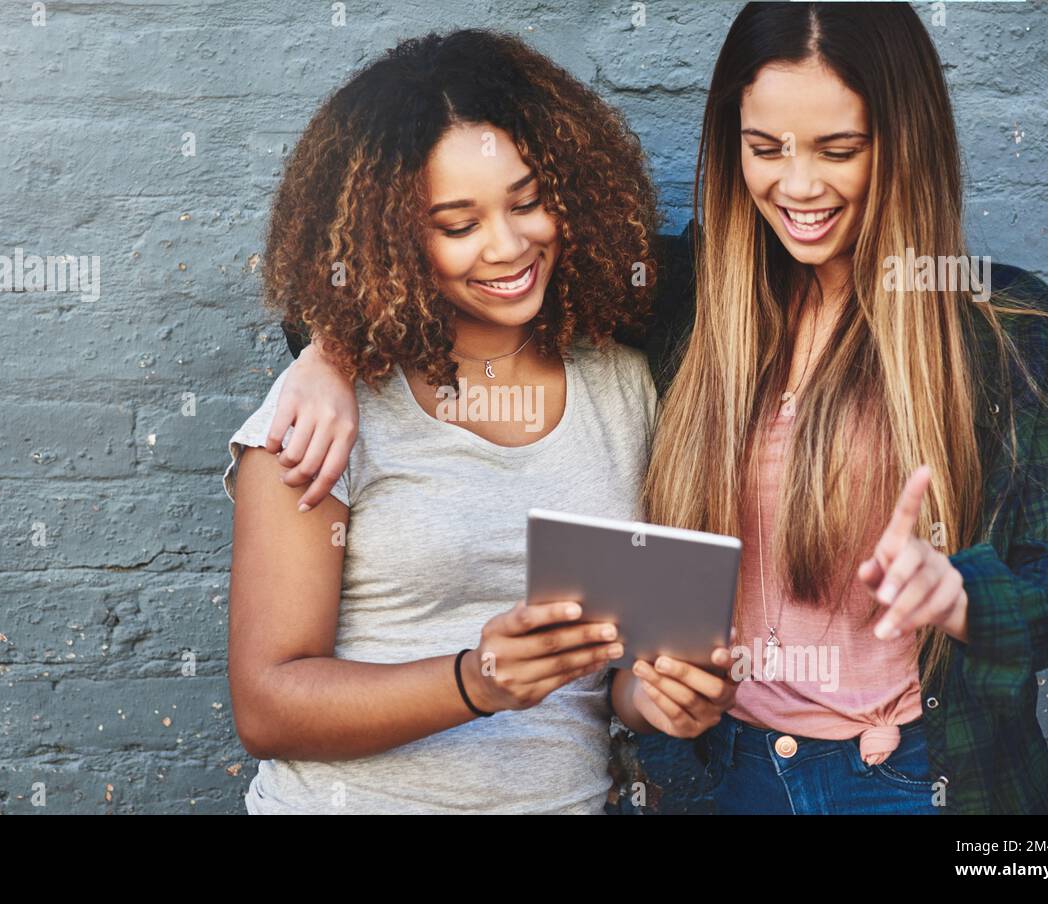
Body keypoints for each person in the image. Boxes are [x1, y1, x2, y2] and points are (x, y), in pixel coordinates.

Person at [268, 4, 1048, 815]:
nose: (800, 184)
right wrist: (324, 354)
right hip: (741, 779)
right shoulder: (683, 299)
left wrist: (961, 596)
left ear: (904, 143)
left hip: (933, 777)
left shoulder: (1006, 329)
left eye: (839, 148)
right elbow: (450, 272)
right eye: (765, 149)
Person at [224, 29, 737, 815]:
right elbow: (267, 705)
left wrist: (662, 698)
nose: (507, 246)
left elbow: (618, 675)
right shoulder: (322, 416)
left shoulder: (625, 388)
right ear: (391, 238)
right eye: (458, 225)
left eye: (529, 202)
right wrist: (476, 681)